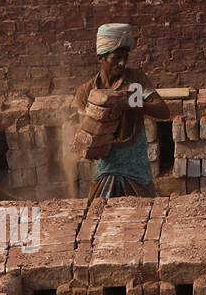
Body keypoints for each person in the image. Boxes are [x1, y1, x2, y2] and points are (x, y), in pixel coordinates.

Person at [73, 24, 171, 200]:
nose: (122, 63)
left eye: (125, 57)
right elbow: (84, 133)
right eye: (115, 58)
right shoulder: (86, 91)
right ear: (100, 58)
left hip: (134, 163)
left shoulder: (135, 81)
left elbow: (164, 111)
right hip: (106, 164)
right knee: (99, 211)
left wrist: (132, 104)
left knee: (144, 209)